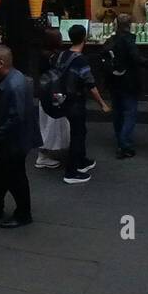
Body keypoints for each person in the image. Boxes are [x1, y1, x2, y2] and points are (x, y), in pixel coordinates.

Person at [0, 47, 38, 229]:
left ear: (0, 63)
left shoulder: (14, 85)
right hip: (12, 139)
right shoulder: (14, 78)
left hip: (14, 141)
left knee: (15, 177)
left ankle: (23, 213)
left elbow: (16, 118)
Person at [50, 27, 106, 184]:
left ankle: (82, 161)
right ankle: (72, 171)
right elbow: (90, 84)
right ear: (85, 38)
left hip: (63, 99)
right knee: (78, 134)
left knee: (79, 130)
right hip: (76, 100)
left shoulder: (61, 55)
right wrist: (102, 103)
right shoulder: (80, 59)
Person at [101, 17, 143, 160]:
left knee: (117, 112)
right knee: (130, 112)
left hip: (113, 80)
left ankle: (120, 140)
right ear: (130, 26)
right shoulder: (129, 41)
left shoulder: (110, 41)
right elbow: (136, 58)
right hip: (128, 81)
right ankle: (125, 144)